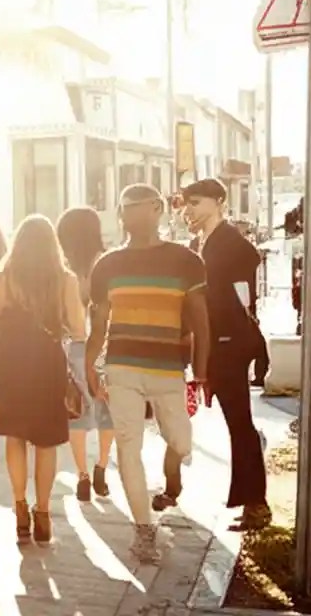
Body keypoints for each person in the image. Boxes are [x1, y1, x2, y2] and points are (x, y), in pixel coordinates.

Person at [86, 184, 211, 563]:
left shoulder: (186, 261)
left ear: (157, 209)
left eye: (139, 208)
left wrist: (203, 372)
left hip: (169, 369)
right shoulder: (107, 265)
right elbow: (98, 324)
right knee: (128, 446)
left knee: (182, 443)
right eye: (125, 209)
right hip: (122, 368)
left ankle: (172, 470)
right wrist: (92, 367)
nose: (130, 216)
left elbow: (201, 322)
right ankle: (144, 530)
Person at [0, 215, 83, 544]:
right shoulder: (64, 279)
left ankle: (20, 507)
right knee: (46, 441)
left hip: (10, 362)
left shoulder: (1, 277)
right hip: (47, 363)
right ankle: (43, 513)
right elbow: (79, 329)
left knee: (16, 436)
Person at [182, 179, 271, 530]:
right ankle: (251, 500)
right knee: (237, 422)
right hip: (215, 341)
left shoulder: (232, 243)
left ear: (218, 202)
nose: (189, 209)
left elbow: (246, 275)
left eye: (196, 202)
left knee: (239, 422)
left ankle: (256, 504)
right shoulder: (199, 242)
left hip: (231, 341)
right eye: (186, 203)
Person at [56, 207, 116, 503]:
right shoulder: (105, 264)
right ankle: (102, 465)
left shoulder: (59, 268)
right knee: (107, 410)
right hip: (103, 345)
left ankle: (81, 475)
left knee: (76, 412)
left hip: (70, 347)